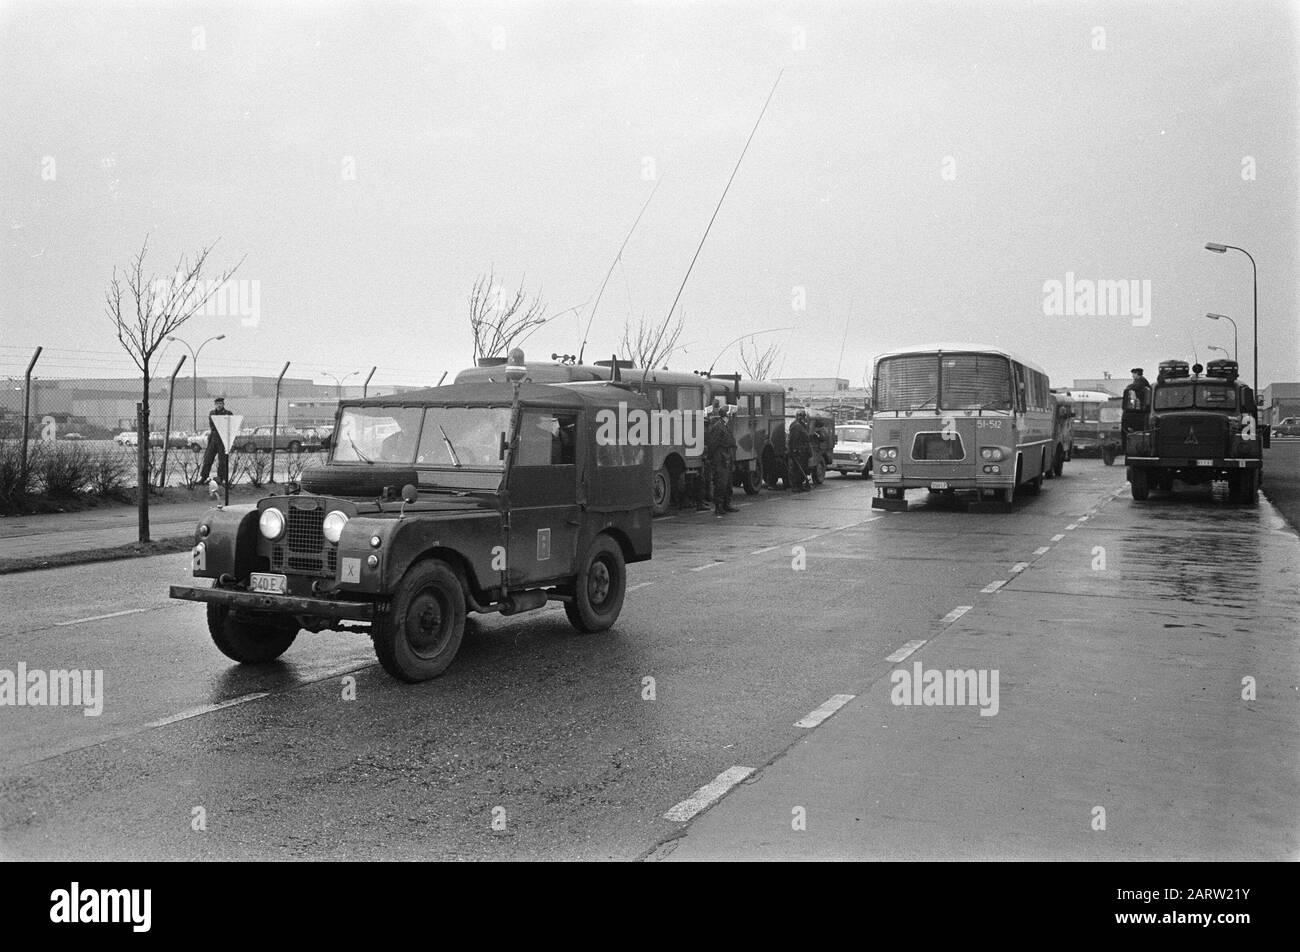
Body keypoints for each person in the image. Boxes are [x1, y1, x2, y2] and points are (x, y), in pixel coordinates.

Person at [705, 405, 738, 516]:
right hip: (720, 458)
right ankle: (719, 506)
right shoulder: (718, 427)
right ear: (726, 415)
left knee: (728, 482)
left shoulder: (724, 426)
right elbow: (713, 444)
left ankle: (726, 504)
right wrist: (712, 459)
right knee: (721, 483)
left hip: (726, 457)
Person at [197, 396, 232, 486]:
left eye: (221, 404)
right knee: (208, 458)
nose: (219, 405)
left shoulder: (228, 413)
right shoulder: (212, 413)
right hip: (213, 438)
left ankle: (221, 478)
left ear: (223, 404)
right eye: (217, 404)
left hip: (223, 439)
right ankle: (203, 477)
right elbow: (213, 426)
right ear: (215, 405)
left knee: (222, 460)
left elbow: (227, 426)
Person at [787, 409, 811, 492]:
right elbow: (792, 439)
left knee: (802, 469)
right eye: (800, 416)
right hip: (798, 451)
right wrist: (792, 450)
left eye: (803, 416)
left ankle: (800, 485)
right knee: (796, 470)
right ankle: (796, 486)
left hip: (803, 452)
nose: (802, 417)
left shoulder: (801, 425)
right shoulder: (796, 426)